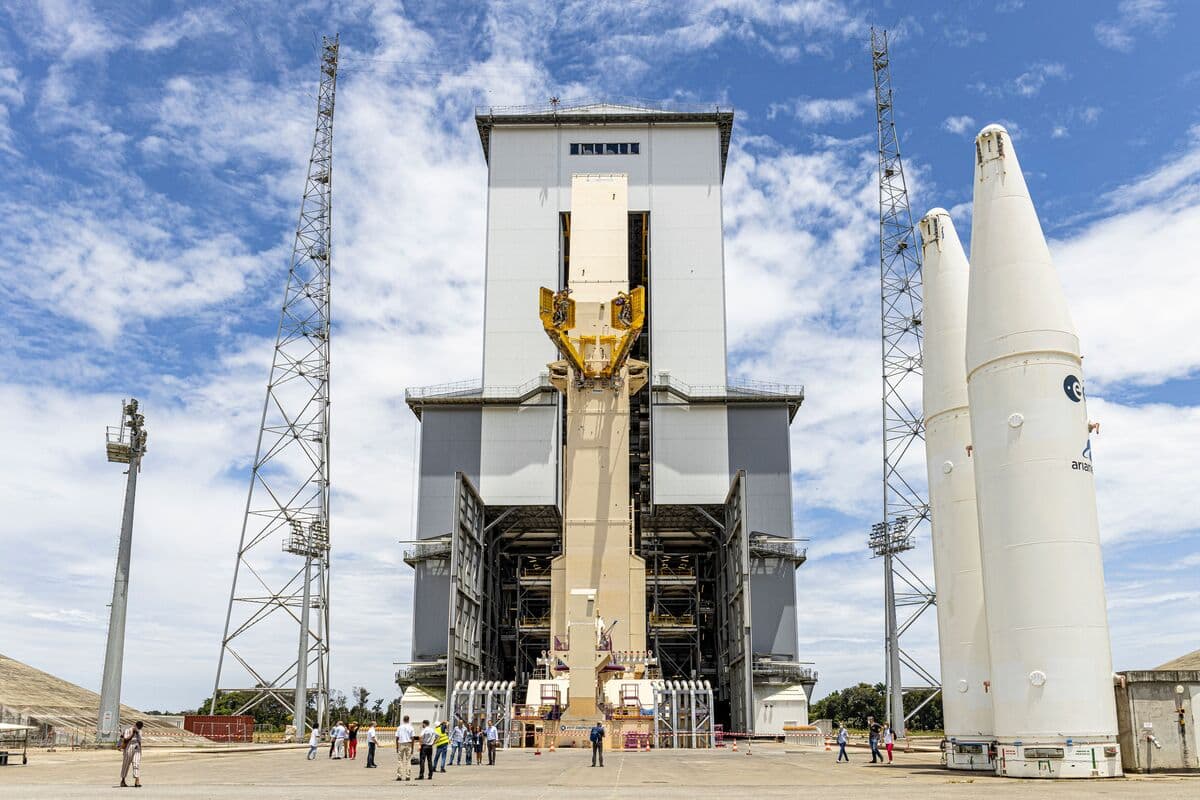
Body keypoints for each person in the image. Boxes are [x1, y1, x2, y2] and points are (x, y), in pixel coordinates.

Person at [118, 720, 143, 788]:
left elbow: (139, 741)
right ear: (135, 725)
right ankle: (123, 780)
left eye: (140, 727)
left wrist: (140, 750)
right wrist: (132, 733)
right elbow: (126, 739)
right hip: (128, 747)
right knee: (125, 764)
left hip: (136, 748)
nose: (139, 728)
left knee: (136, 764)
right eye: (138, 726)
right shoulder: (128, 730)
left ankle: (137, 781)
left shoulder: (140, 731)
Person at [395, 715, 415, 782]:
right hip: (408, 744)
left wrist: (397, 746)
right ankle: (408, 776)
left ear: (403, 720)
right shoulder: (411, 727)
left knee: (400, 760)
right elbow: (412, 738)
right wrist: (412, 747)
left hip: (401, 744)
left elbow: (397, 737)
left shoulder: (399, 727)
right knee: (408, 760)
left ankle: (399, 776)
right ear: (408, 720)